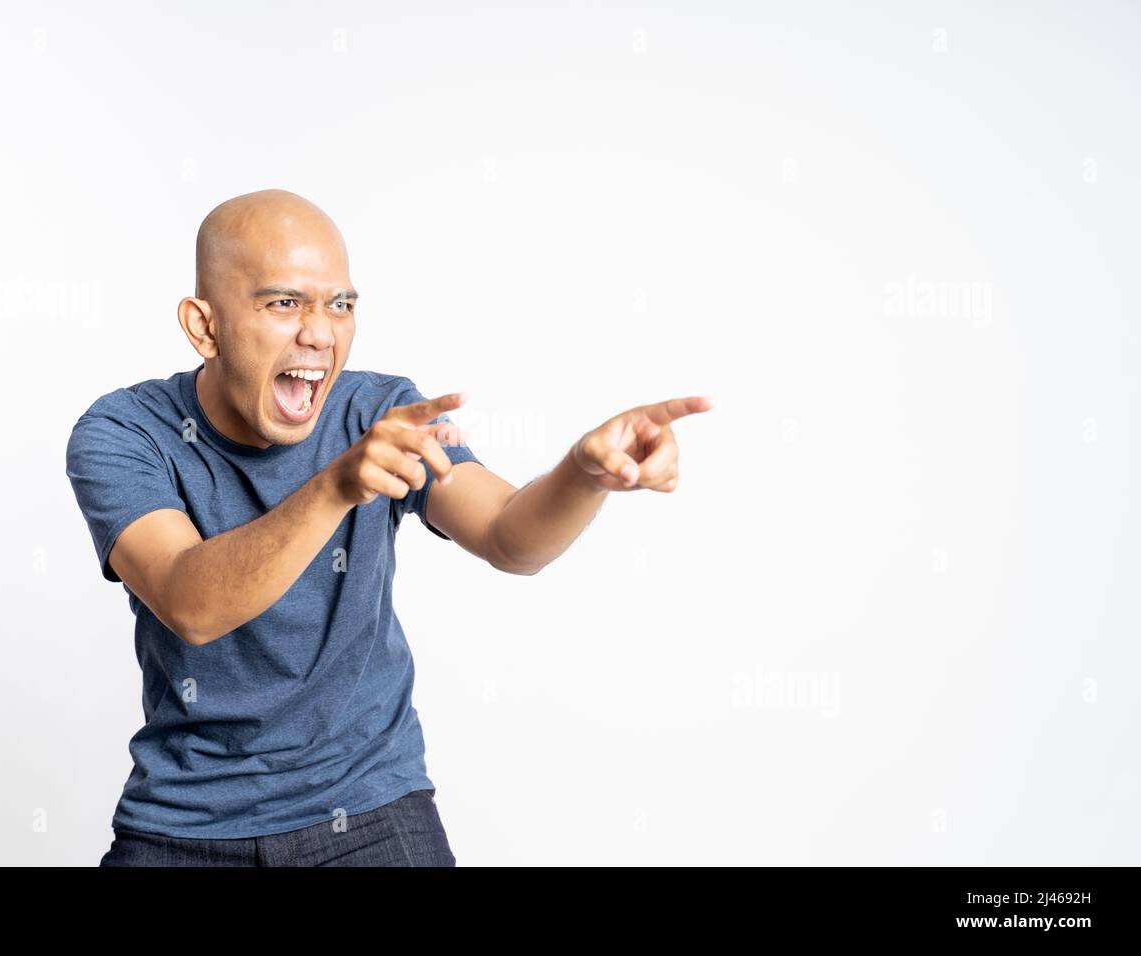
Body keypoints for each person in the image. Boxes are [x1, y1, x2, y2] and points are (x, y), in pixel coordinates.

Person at [65, 188, 711, 866]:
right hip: (187, 823)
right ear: (204, 327)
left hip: (370, 808)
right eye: (284, 303)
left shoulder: (381, 413)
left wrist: (584, 472)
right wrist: (337, 486)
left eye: (340, 305)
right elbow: (191, 603)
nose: (320, 333)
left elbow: (507, 537)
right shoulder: (124, 433)